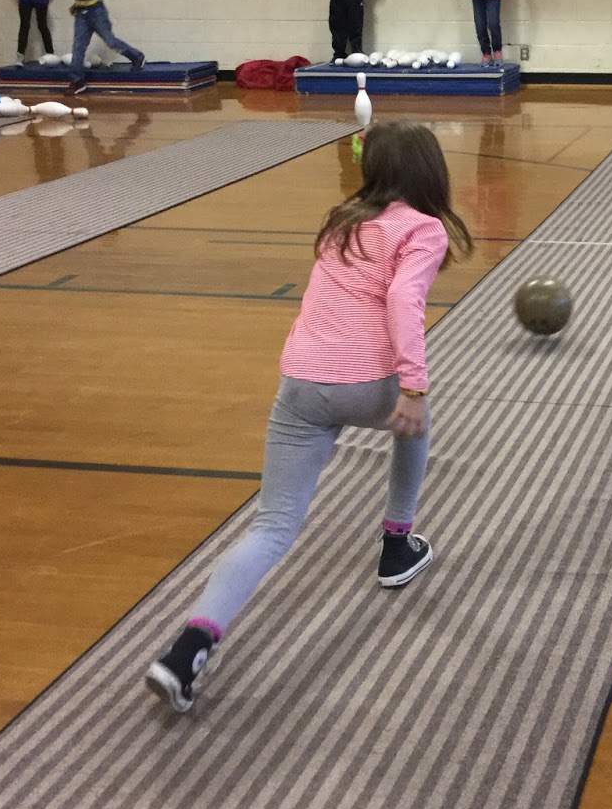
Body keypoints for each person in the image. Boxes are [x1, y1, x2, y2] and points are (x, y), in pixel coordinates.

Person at [145, 120, 473, 713]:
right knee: (415, 421)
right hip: (364, 384)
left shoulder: (342, 219)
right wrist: (414, 386)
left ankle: (186, 651)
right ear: (432, 173)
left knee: (271, 528)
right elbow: (403, 301)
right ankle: (396, 544)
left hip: (300, 382)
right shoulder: (423, 229)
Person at [65, 0, 145, 94]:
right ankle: (77, 81)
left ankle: (136, 56)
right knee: (78, 47)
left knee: (110, 40)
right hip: (81, 13)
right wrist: (76, 4)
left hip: (96, 11)